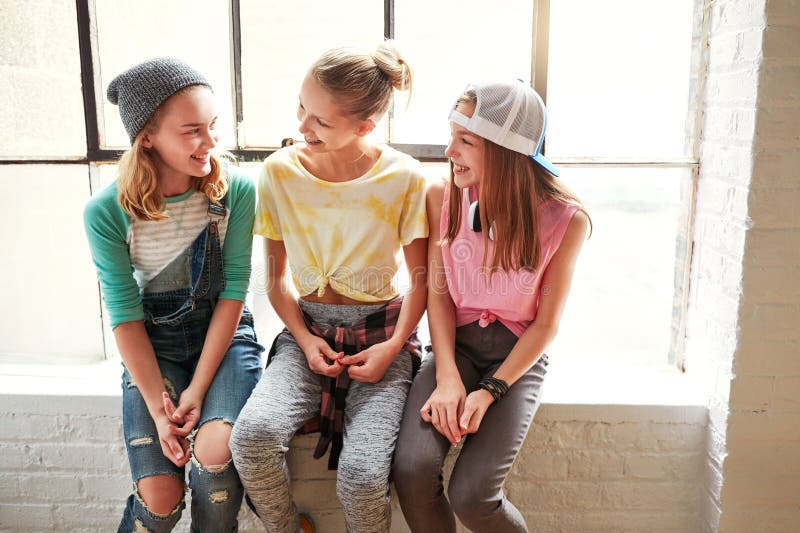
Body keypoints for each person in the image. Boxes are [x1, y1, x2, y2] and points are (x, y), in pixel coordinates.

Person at [229, 41, 428, 533]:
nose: (302, 127)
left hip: (383, 336)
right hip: (306, 332)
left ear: (365, 126)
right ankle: (285, 527)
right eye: (302, 107)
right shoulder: (278, 173)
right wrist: (304, 338)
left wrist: (392, 348)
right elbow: (275, 281)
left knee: (362, 477)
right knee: (251, 437)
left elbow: (424, 283)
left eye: (320, 120)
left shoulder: (404, 177)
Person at [392, 80, 591, 532]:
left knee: (473, 495)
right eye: (451, 136)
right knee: (411, 468)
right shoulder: (442, 197)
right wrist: (445, 377)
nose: (449, 151)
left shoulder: (567, 220)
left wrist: (491, 390)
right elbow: (438, 294)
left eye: (465, 141)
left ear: (505, 149)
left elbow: (545, 326)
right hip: (454, 347)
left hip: (517, 357)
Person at [83, 58, 264, 532]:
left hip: (222, 344)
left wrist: (198, 391)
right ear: (148, 136)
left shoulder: (235, 192)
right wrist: (162, 414)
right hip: (154, 348)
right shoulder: (107, 212)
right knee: (160, 499)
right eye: (191, 131)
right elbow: (124, 317)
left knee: (214, 462)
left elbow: (233, 293)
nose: (210, 143)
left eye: (212, 126)